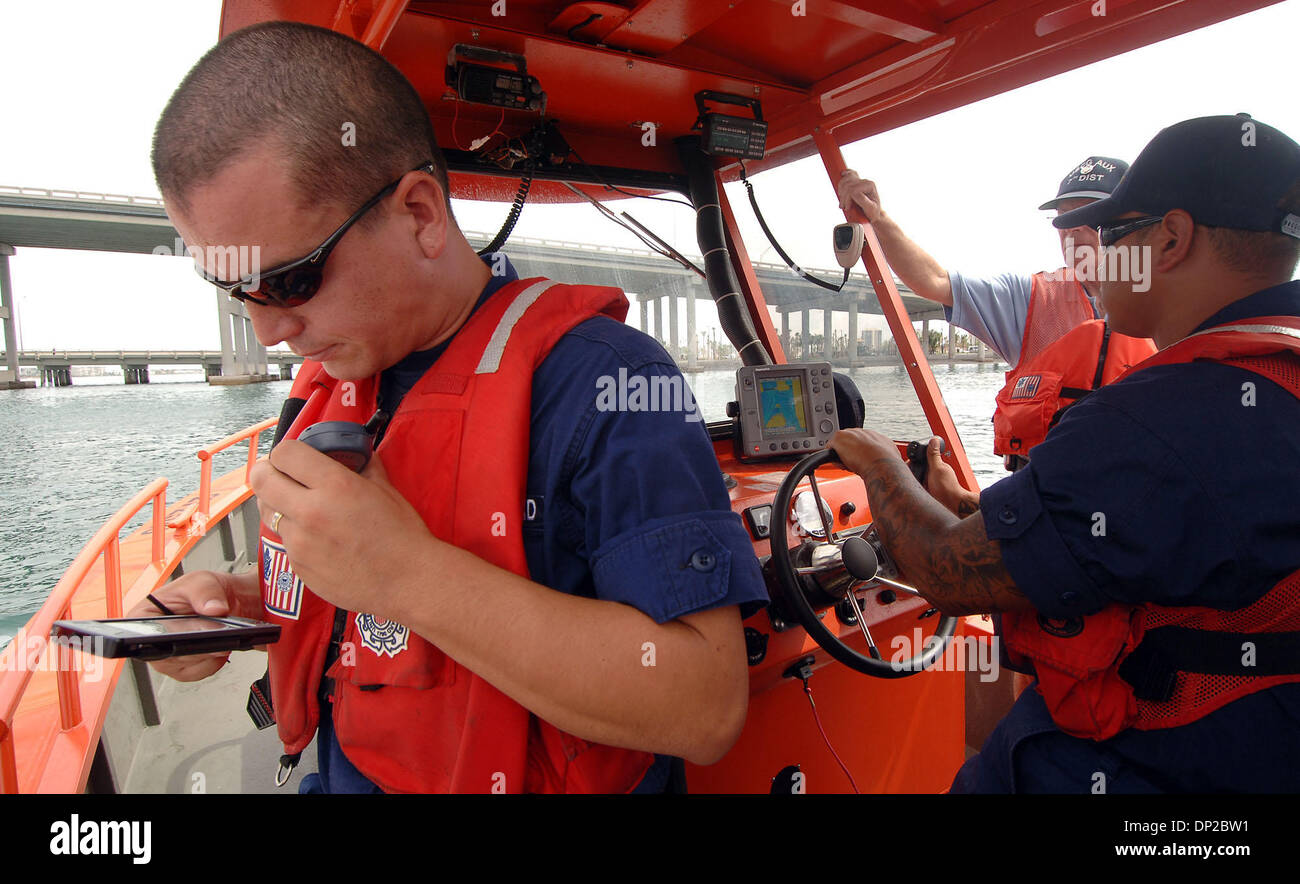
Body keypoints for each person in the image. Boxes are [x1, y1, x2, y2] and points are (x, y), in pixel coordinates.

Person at [130, 21, 768, 794]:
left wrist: (408, 573)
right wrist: (230, 607)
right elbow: (347, 599)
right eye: (235, 290)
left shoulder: (607, 383)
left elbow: (704, 702)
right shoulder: (333, 387)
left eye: (291, 280)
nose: (267, 332)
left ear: (421, 214)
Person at [829, 113, 1300, 792]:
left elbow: (946, 576)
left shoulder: (1156, 418)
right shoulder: (1268, 381)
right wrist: (971, 509)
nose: (1091, 251)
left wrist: (877, 462)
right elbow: (1169, 539)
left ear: (1171, 239)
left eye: (1111, 233)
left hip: (1175, 755)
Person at [838, 158, 1156, 476]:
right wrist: (877, 218)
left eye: (1088, 218)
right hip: (1048, 501)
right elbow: (933, 281)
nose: (1072, 234)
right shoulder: (1032, 297)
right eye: (1063, 221)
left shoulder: (1172, 303)